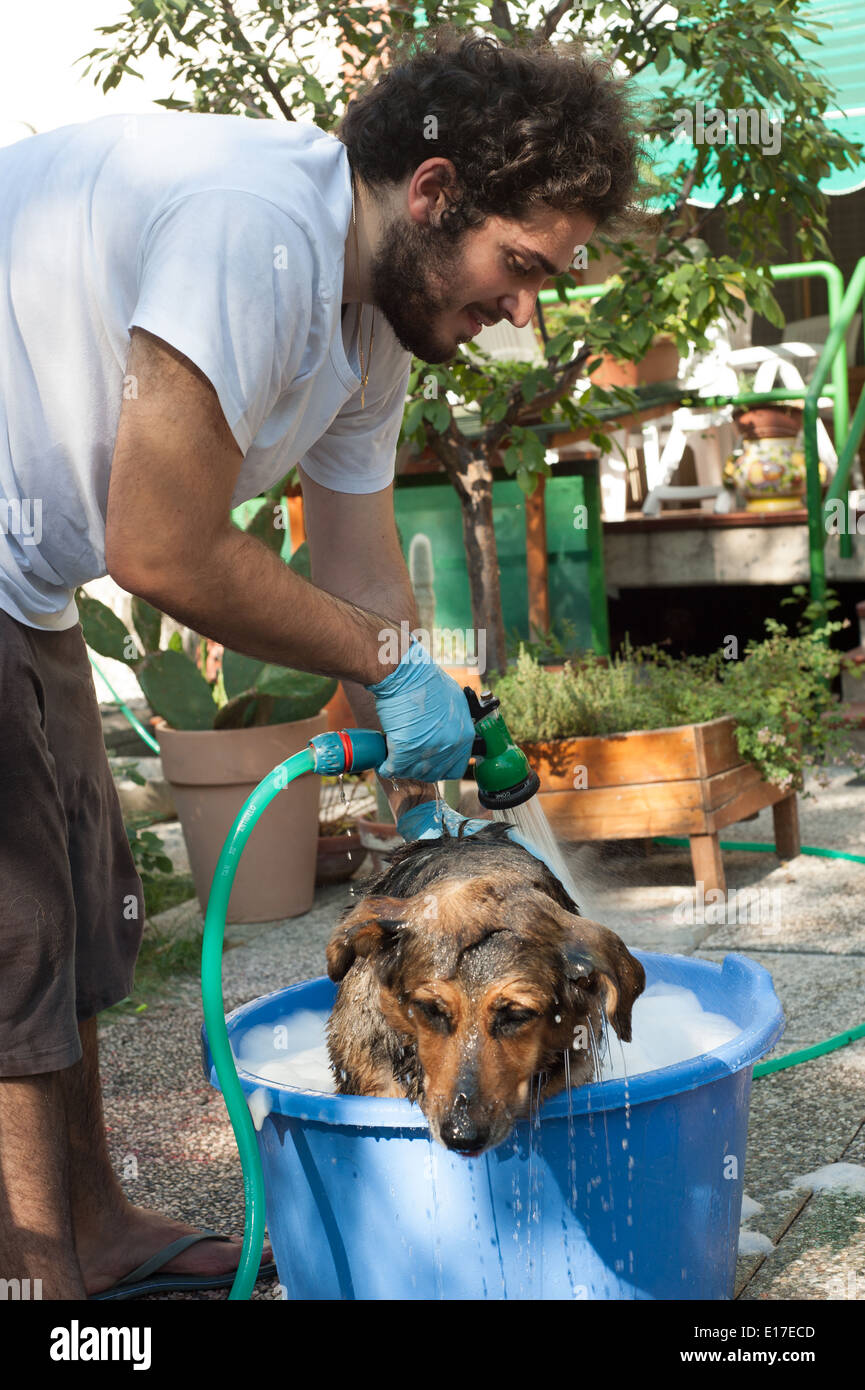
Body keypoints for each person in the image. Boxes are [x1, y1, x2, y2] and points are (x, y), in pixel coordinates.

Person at [0, 27, 638, 1297]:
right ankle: (38, 1284)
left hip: (26, 577)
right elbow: (162, 546)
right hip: (31, 557)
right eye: (519, 266)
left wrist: (411, 749)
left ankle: (100, 1223)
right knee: (15, 928)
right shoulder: (257, 231)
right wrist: (388, 670)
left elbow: (356, 569)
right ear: (434, 190)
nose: (525, 308)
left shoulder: (374, 327)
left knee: (82, 891)